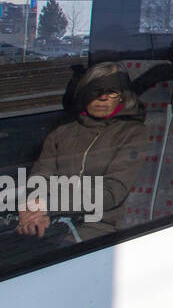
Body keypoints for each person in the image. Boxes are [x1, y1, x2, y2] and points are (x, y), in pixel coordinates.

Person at [15, 62, 149, 243]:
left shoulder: (132, 133)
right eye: (95, 91)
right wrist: (35, 210)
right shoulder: (62, 132)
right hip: (53, 218)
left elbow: (112, 192)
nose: (103, 97)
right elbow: (40, 177)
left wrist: (49, 205)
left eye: (112, 92)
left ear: (122, 97)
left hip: (99, 225)